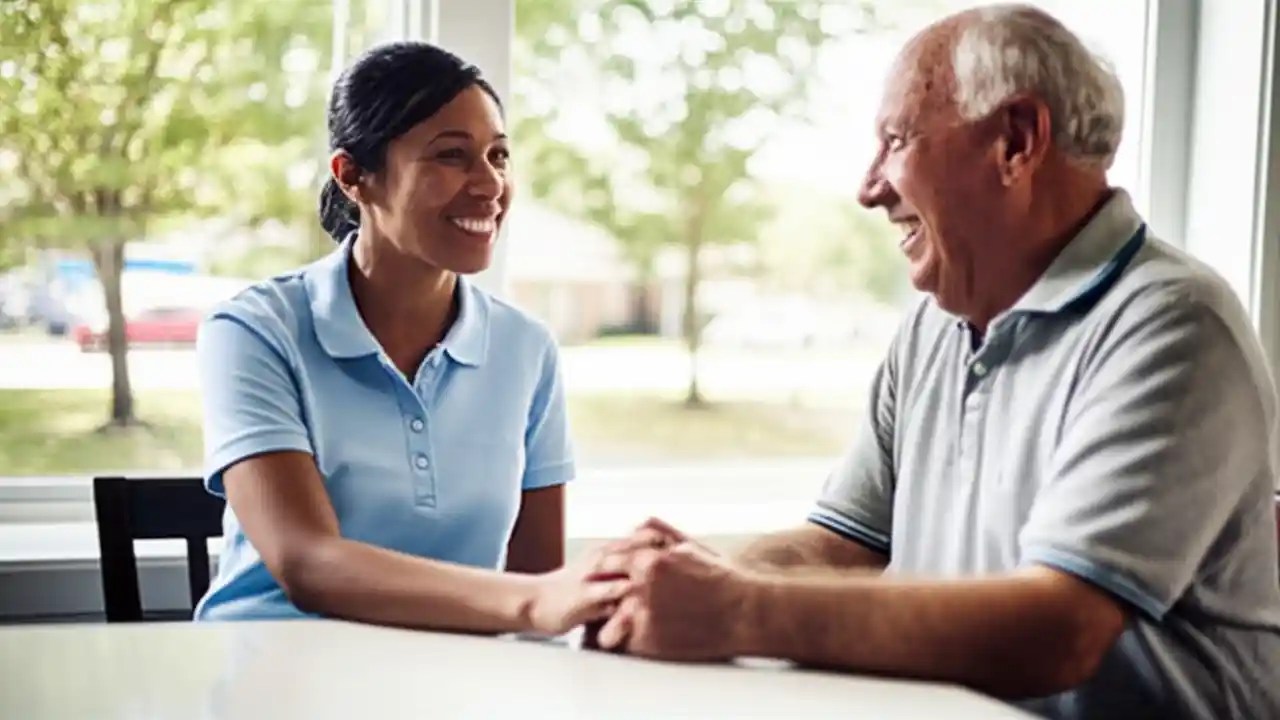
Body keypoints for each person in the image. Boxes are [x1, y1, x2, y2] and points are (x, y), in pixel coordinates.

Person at [593, 5, 1280, 719]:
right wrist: (680, 584)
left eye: (895, 140)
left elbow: (1059, 630)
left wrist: (734, 609)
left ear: (1015, 141)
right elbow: (843, 542)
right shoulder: (937, 323)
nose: (868, 187)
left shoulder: (1172, 325)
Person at [193, 41, 629, 633]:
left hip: (447, 678)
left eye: (498, 156)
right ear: (353, 177)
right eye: (451, 156)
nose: (488, 185)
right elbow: (308, 562)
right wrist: (531, 601)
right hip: (270, 670)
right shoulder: (254, 332)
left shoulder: (525, 349)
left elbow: (537, 590)